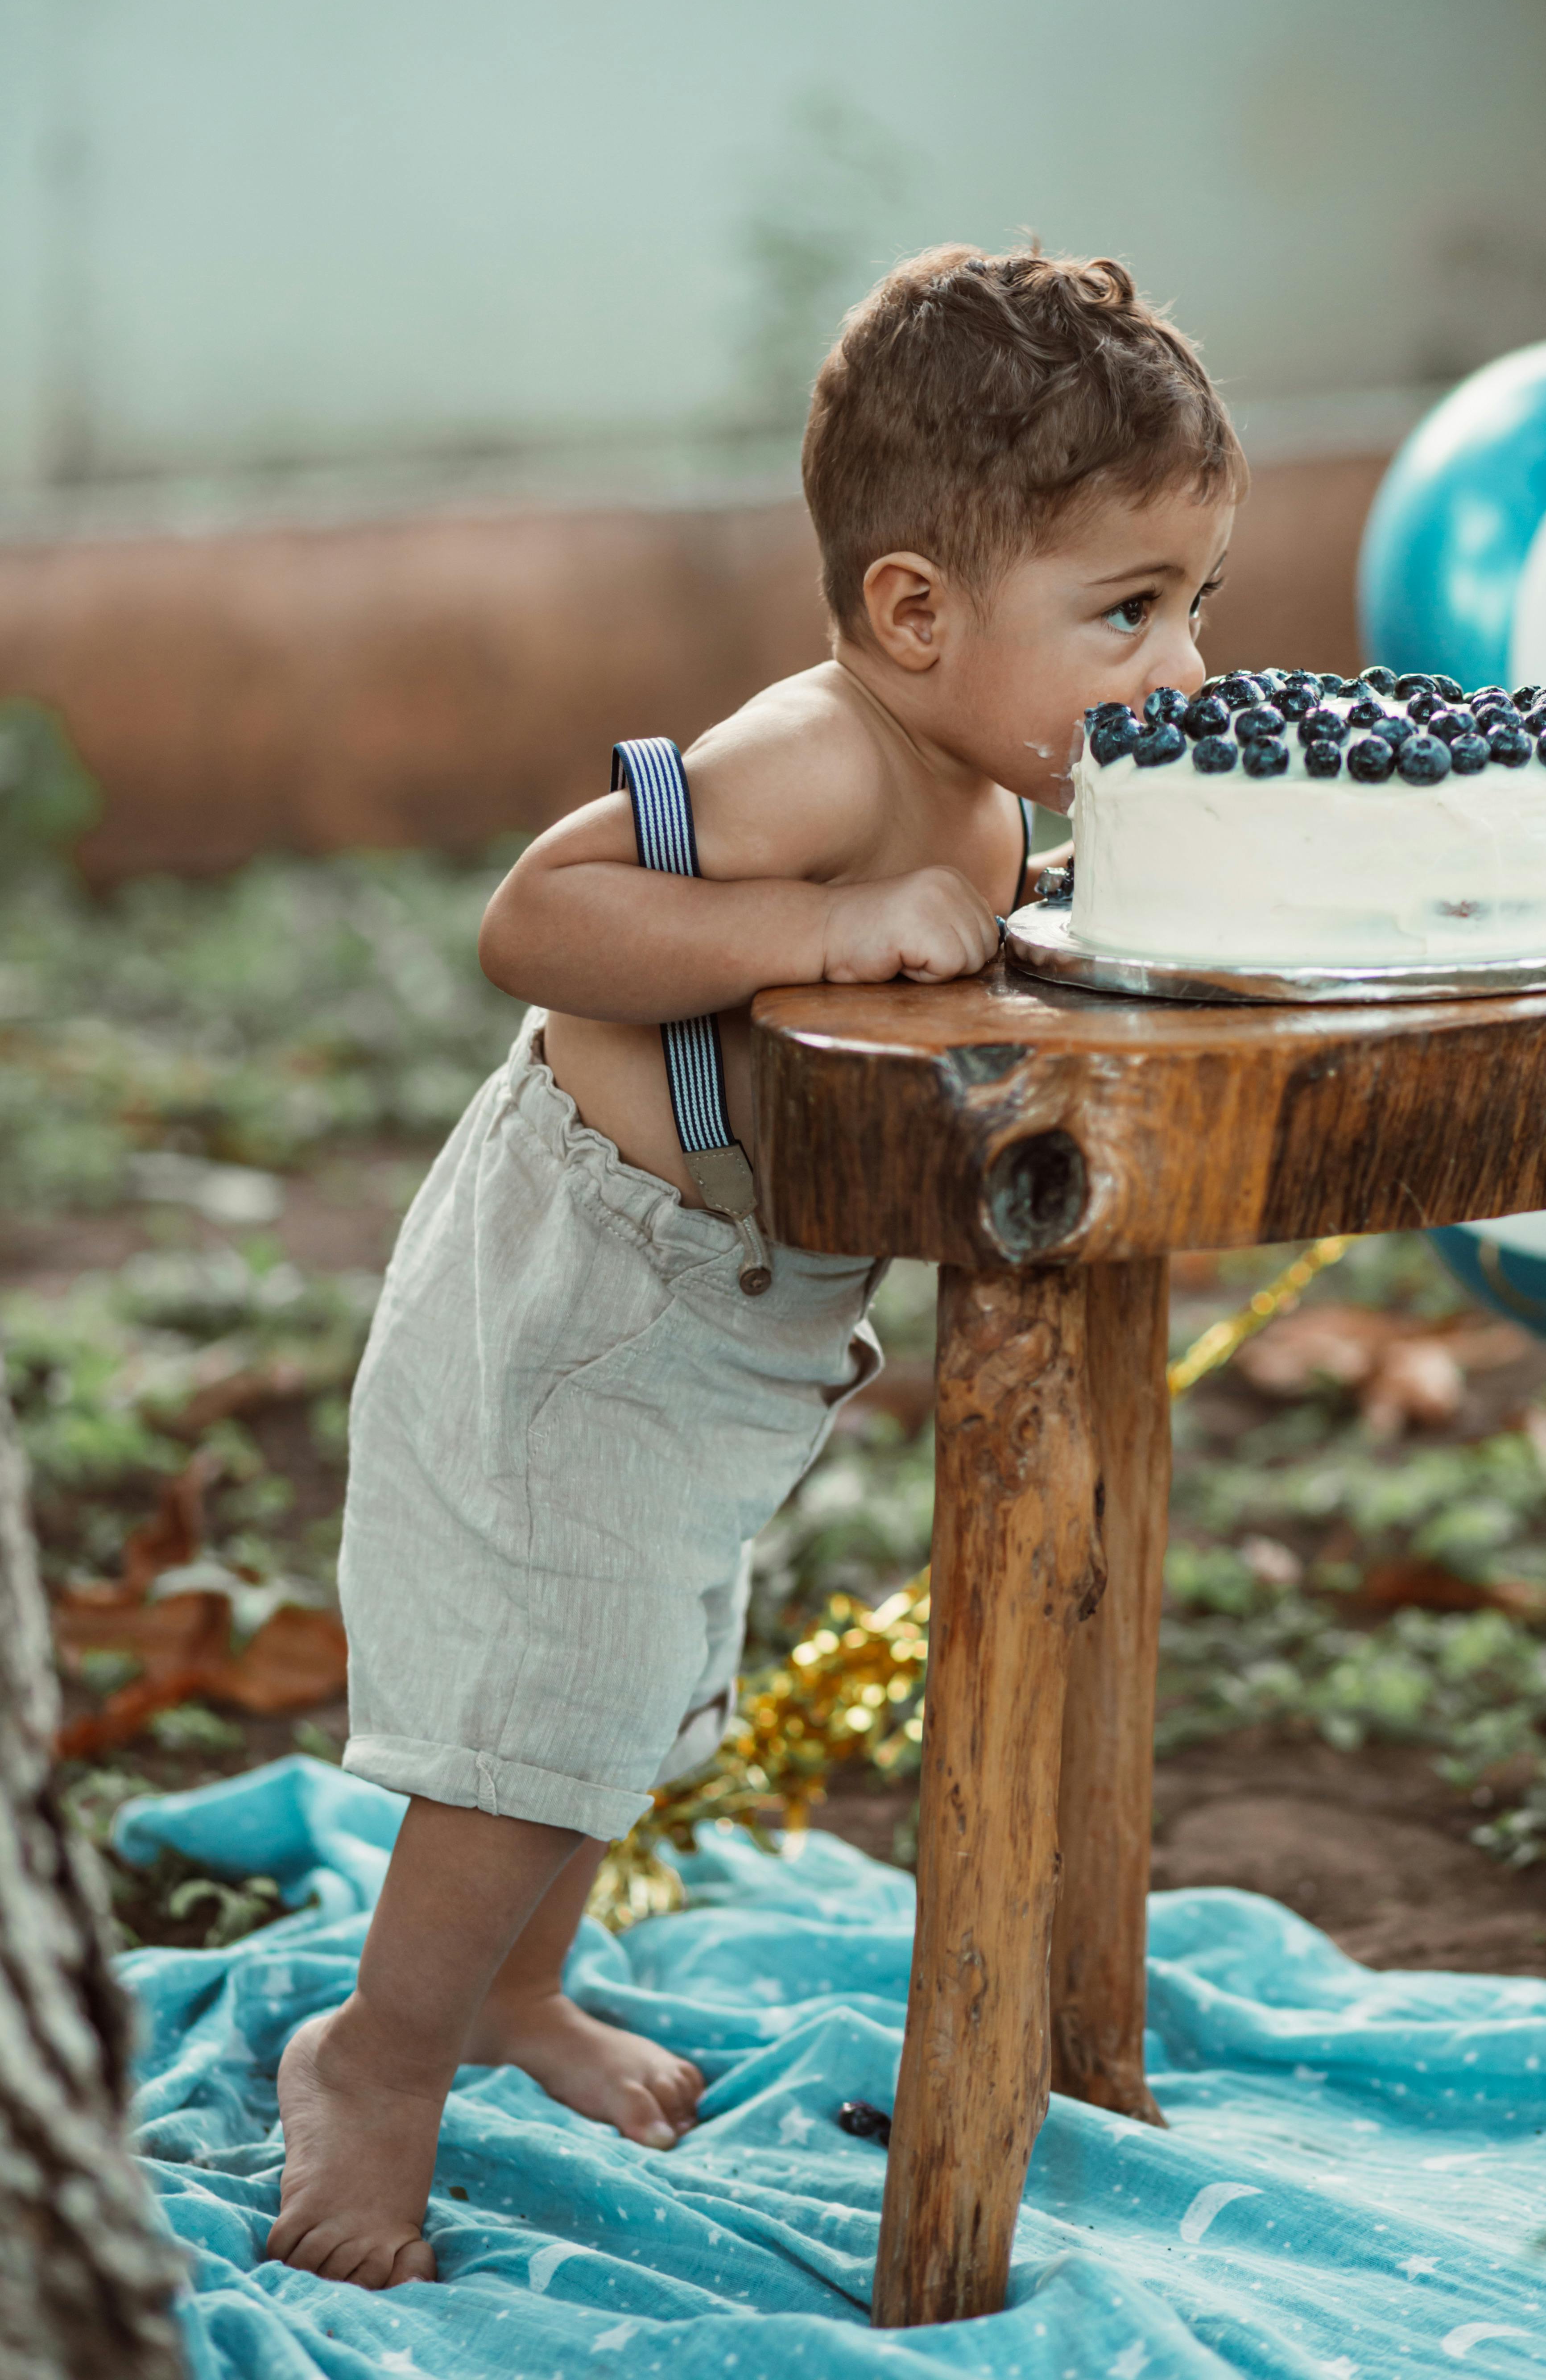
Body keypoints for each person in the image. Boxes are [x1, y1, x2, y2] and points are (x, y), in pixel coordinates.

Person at [267, 244, 1245, 2288]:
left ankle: (519, 1999)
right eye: (1127, 616)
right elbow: (544, 920)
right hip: (581, 1303)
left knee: (615, 1694)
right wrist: (811, 925)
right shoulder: (816, 758)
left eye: (1196, 608)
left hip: (716, 1336)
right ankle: (377, 2059)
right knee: (542, 1704)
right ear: (913, 610)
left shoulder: (971, 785)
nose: (1181, 670)